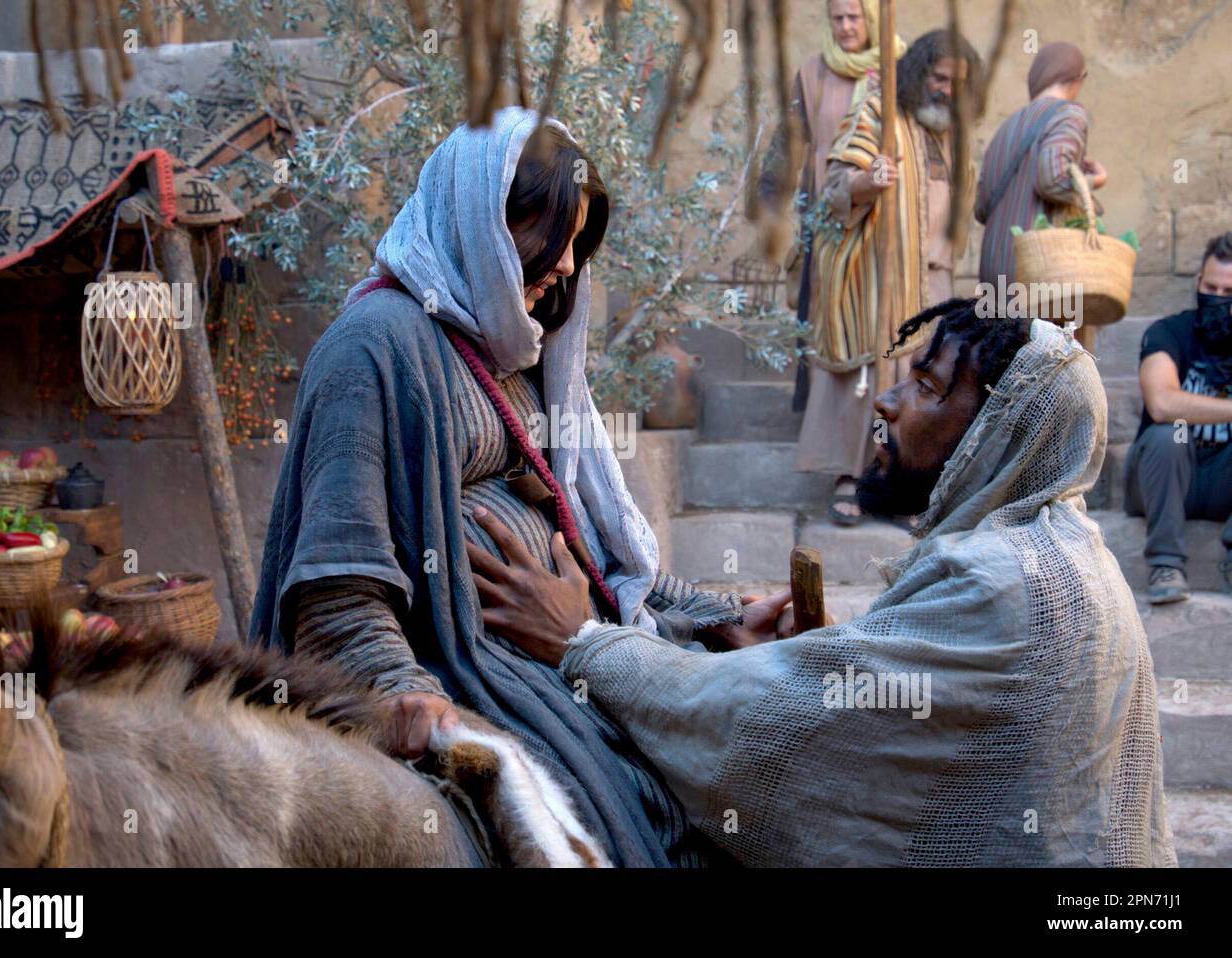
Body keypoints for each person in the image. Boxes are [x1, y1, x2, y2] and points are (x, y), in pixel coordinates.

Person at [248, 107, 777, 868]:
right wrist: (419, 706)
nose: (565, 265)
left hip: (562, 660)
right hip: (478, 683)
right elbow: (339, 601)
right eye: (549, 239)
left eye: (574, 243)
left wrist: (706, 615)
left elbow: (587, 540)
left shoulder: (507, 351)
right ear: (480, 221)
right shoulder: (371, 350)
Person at [469, 299, 1176, 867]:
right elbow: (940, 714)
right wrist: (826, 653)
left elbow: (768, 722)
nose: (888, 403)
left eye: (925, 387)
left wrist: (584, 641)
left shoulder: (998, 580)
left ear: (997, 435)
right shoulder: (1066, 549)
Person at [797, 30, 979, 527]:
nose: (946, 90)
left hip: (934, 279)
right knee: (870, 377)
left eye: (956, 83)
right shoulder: (878, 114)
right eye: (939, 79)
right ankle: (852, 478)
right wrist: (867, 181)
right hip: (877, 277)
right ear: (919, 76)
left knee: (926, 378)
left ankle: (912, 489)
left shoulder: (953, 129)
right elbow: (836, 186)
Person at [758, 0, 906, 421]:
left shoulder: (897, 67)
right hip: (829, 213)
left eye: (853, 17)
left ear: (871, 19)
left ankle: (889, 419)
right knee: (822, 309)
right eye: (837, 18)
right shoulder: (813, 73)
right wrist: (769, 197)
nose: (844, 27)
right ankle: (824, 421)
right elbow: (789, 142)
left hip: (885, 215)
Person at [1124, 232, 1232, 604]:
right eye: (1210, 287)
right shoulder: (1168, 332)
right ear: (1198, 282)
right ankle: (1166, 564)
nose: (1216, 298)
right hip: (1163, 477)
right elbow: (1162, 403)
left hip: (1222, 480)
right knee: (1173, 433)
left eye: (1228, 292)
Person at [975, 41, 1106, 290]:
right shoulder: (1069, 114)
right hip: (1037, 269)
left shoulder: (1005, 129)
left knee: (1001, 330)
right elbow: (1052, 181)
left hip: (993, 268)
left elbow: (981, 208)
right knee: (1047, 331)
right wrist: (1095, 181)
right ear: (1079, 78)